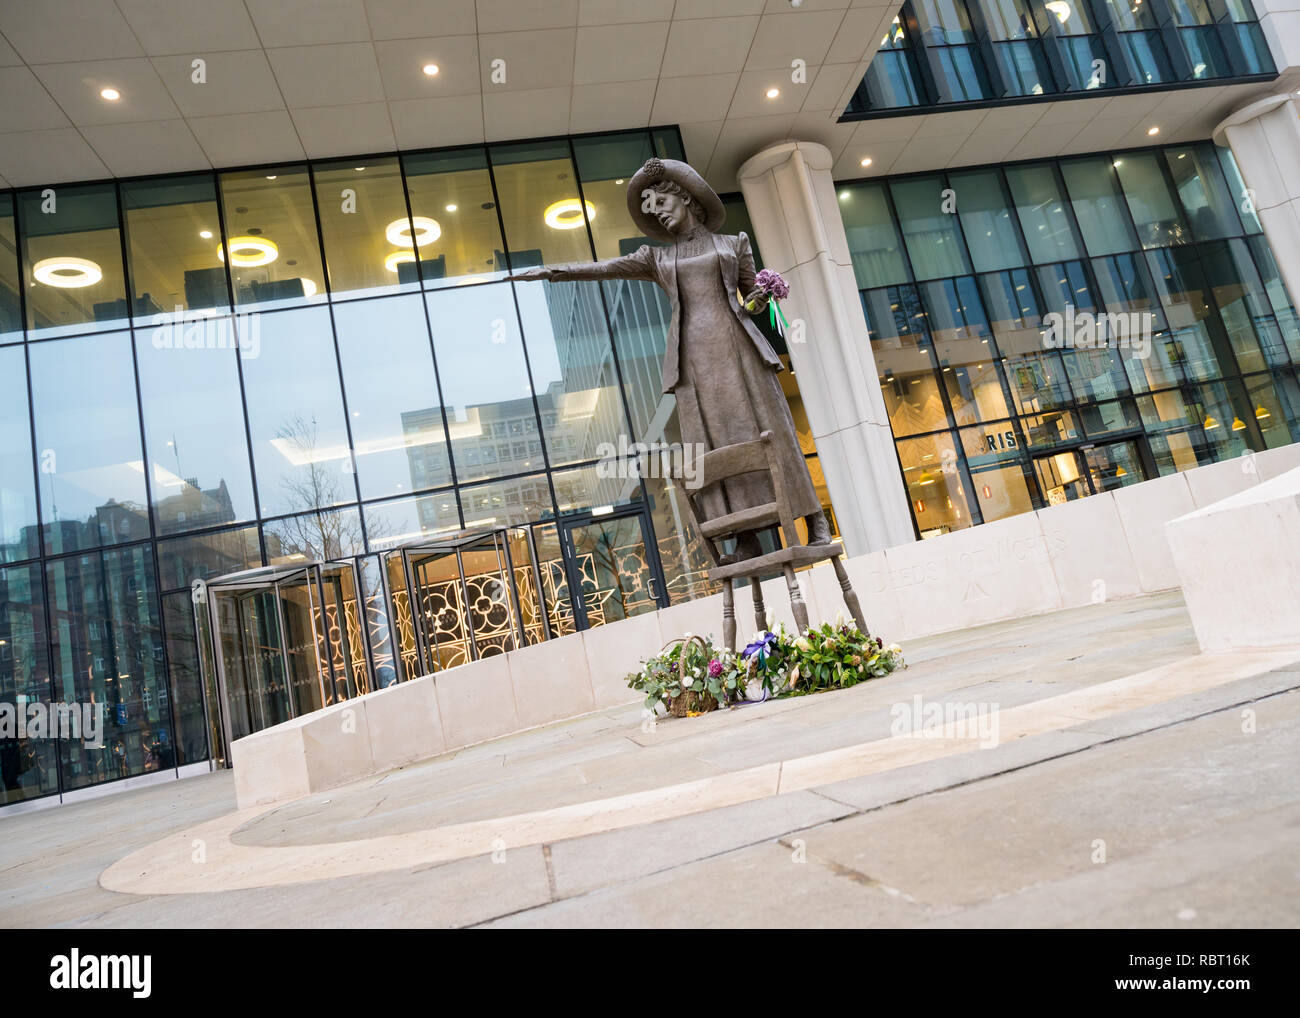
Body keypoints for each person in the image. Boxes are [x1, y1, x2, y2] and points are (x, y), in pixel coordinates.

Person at [511, 157, 831, 562]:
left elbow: (749, 304)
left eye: (662, 203)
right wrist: (550, 272)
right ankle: (745, 535)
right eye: (653, 210)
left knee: (772, 429)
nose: (658, 214)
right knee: (710, 446)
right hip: (693, 363)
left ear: (686, 198)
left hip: (740, 351)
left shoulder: (735, 244)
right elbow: (604, 268)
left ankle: (814, 519)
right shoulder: (656, 259)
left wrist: (762, 296)